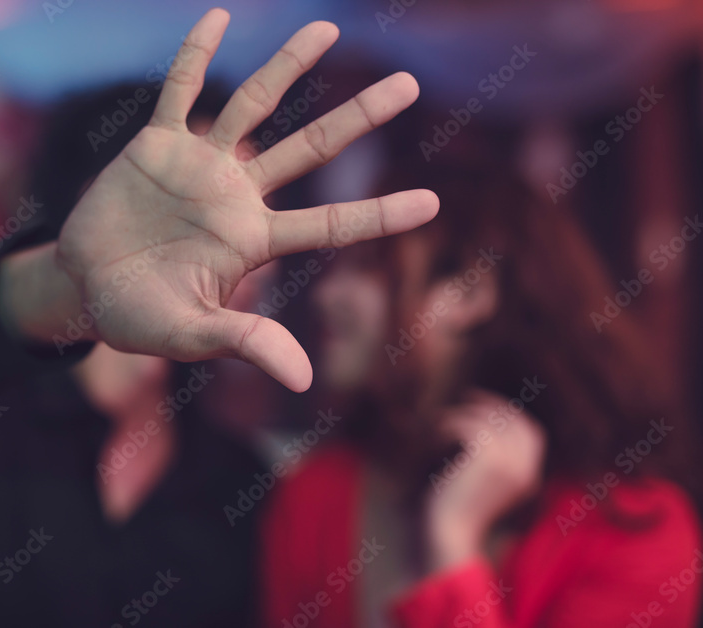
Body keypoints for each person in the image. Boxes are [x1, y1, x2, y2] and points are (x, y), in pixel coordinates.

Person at [0, 8, 439, 627]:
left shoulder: (238, 484)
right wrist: (73, 284)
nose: (249, 246)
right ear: (96, 201)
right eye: (204, 208)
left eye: (258, 210)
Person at [260, 139, 702, 627]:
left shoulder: (637, 528)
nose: (325, 295)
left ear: (470, 293)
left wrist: (452, 547)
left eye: (368, 267)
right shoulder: (317, 492)